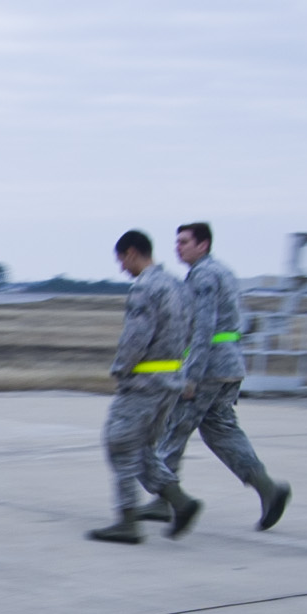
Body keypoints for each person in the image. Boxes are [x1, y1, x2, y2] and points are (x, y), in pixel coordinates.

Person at [146, 221, 292, 530]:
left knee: (174, 428)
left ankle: (165, 500)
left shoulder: (203, 276)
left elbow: (203, 329)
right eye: (177, 242)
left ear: (203, 245)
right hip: (229, 366)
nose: (178, 247)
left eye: (185, 241)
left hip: (209, 369)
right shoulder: (221, 271)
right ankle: (269, 489)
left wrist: (190, 376)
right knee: (221, 431)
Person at [89, 229, 202, 545]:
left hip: (143, 383)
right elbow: (191, 333)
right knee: (141, 448)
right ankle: (180, 502)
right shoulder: (178, 287)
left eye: (122, 260)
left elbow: (136, 337)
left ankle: (128, 521)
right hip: (170, 382)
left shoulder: (145, 289)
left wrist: (121, 369)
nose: (123, 268)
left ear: (132, 253)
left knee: (119, 443)